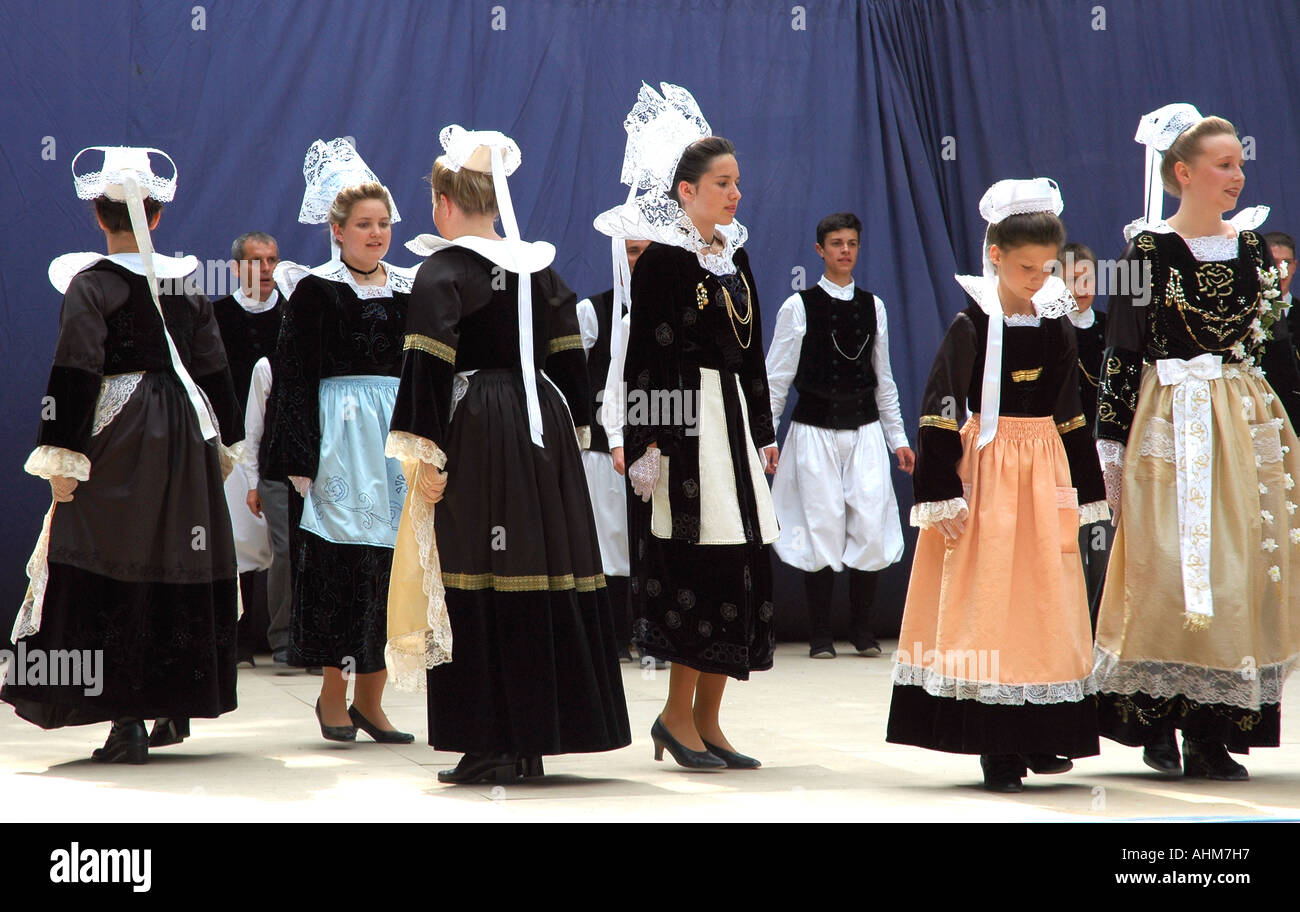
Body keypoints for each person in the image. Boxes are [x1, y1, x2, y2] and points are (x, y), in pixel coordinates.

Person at [385, 126, 631, 784]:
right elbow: (569, 358)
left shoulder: (441, 272)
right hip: (538, 428)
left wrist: (422, 454)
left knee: (473, 572)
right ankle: (532, 735)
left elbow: (427, 368)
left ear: (444, 202)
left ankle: (487, 736)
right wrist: (571, 433)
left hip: (478, 429)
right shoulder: (536, 266)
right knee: (538, 566)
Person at [2, 146, 242, 763]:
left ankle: (127, 718)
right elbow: (213, 365)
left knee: (113, 558)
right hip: (186, 436)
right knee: (172, 556)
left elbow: (75, 371)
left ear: (97, 216)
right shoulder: (186, 282)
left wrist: (61, 458)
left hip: (121, 435)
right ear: (157, 218)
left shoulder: (92, 285)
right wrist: (228, 441)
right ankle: (170, 704)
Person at [1093, 105, 1300, 780]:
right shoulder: (1144, 252)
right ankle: (1160, 720)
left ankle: (1215, 731)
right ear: (1184, 173)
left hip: (1236, 421)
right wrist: (1112, 444)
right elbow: (1120, 349)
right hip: (1169, 417)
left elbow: (1263, 346)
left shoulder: (1248, 246)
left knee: (1235, 564)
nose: (1237, 176)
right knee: (1168, 567)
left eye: (1240, 164)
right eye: (1224, 164)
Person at [885, 178, 1107, 793]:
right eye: (1024, 266)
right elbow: (938, 406)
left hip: (1043, 473)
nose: (1037, 278)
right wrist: (939, 492)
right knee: (989, 601)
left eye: (1045, 267)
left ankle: (1043, 729)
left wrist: (1088, 493)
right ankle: (997, 742)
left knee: (1044, 600)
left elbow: (1070, 412)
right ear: (995, 258)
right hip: (987, 474)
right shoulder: (972, 325)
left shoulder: (1056, 325)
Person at [597, 83, 779, 770]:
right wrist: (646, 443)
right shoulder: (666, 263)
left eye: (736, 182)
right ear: (687, 190)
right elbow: (645, 356)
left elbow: (752, 355)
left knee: (737, 565)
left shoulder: (734, 256)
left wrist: (763, 430)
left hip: (729, 423)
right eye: (722, 183)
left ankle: (709, 719)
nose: (734, 193)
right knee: (696, 568)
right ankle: (676, 717)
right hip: (685, 429)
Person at [266, 139, 416, 743]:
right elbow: (294, 379)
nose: (376, 233)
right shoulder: (314, 291)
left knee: (391, 564)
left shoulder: (410, 287)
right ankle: (334, 694)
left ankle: (372, 701)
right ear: (337, 229)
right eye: (363, 224)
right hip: (341, 441)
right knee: (339, 565)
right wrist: (299, 458)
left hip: (395, 440)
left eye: (383, 223)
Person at [765, 211, 913, 659]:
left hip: (866, 430)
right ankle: (821, 635)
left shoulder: (874, 306)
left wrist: (898, 438)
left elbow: (883, 379)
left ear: (858, 248)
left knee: (869, 524)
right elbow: (776, 379)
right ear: (820, 250)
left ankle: (864, 633)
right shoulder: (798, 306)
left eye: (851, 243)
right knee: (820, 525)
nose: (844, 250)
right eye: (835, 243)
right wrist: (766, 439)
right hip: (812, 432)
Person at [577, 238, 650, 661]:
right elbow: (567, 379)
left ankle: (647, 634)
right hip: (604, 453)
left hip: (659, 450)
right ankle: (612, 636)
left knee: (649, 543)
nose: (637, 260)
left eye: (644, 250)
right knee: (608, 543)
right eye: (631, 250)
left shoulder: (671, 313)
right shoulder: (592, 312)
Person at [213, 232, 281, 664]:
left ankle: (272, 636)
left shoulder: (293, 316)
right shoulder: (216, 316)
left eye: (273, 259)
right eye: (256, 261)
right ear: (237, 267)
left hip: (278, 451)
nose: (267, 269)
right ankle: (234, 639)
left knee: (274, 544)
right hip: (229, 447)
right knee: (234, 540)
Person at [1061, 241, 1110, 625]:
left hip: (1105, 452)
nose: (1081, 287)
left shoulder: (1113, 330)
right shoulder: (1050, 330)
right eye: (1072, 279)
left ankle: (1098, 629)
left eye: (1087, 278)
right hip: (1061, 453)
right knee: (1069, 545)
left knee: (1103, 545)